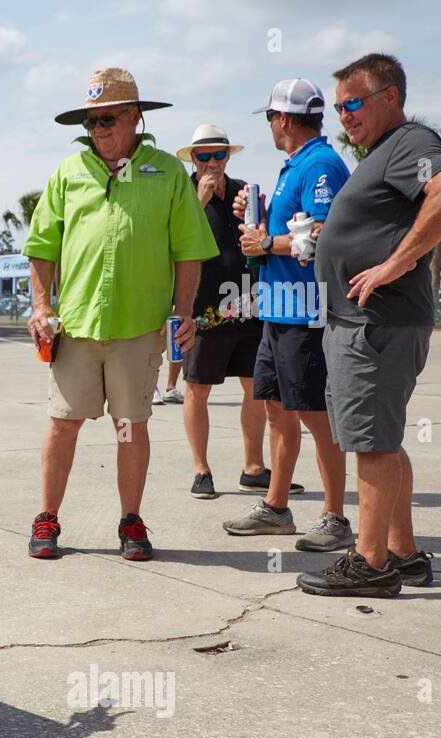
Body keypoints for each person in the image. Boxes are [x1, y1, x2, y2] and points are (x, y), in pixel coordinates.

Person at [297, 53, 441, 598]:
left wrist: (396, 262)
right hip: (365, 322)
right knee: (384, 440)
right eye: (339, 107)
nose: (344, 116)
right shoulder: (384, 154)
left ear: (389, 97)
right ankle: (403, 554)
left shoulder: (409, 144)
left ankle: (371, 565)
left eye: (353, 103)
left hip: (376, 324)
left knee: (372, 444)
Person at [24, 67, 216, 561]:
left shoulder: (168, 173)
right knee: (62, 422)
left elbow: (188, 251)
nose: (99, 130)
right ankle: (47, 518)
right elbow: (42, 247)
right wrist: (41, 306)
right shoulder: (68, 174)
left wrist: (184, 313)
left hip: (138, 329)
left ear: (135, 117)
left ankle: (131, 521)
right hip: (78, 326)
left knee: (130, 425)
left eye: (108, 118)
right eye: (90, 122)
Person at [222, 79, 352, 552]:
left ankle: (335, 516)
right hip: (279, 312)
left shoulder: (320, 164)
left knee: (316, 416)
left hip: (306, 314)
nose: (270, 127)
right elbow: (293, 228)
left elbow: (322, 234)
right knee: (275, 408)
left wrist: (265, 243)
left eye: (270, 118)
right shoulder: (296, 165)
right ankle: (277, 508)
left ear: (281, 119)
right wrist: (254, 215)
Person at [174, 123, 280, 500]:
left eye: (220, 154)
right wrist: (198, 202)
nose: (213, 163)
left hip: (249, 304)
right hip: (204, 310)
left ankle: (253, 467)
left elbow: (263, 237)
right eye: (204, 156)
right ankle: (201, 468)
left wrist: (257, 220)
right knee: (197, 388)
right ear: (193, 159)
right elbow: (171, 240)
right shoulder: (182, 194)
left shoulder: (244, 193)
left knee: (256, 388)